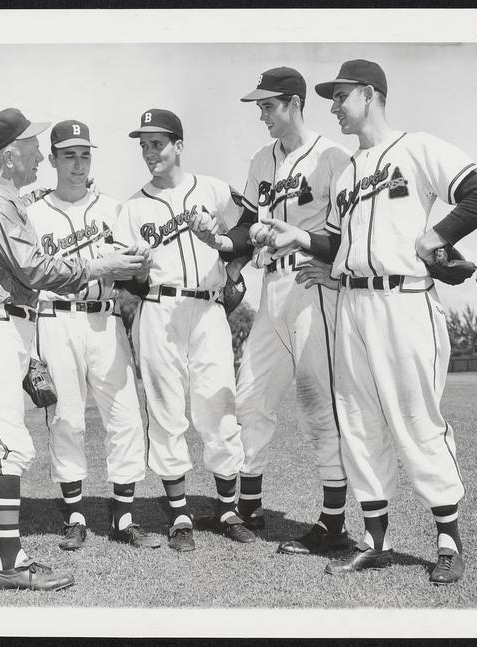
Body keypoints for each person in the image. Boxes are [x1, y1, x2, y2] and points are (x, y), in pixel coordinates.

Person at [257, 60, 477, 583]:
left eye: (341, 96)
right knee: (358, 422)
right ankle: (376, 541)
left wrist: (435, 237)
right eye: (331, 99)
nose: (334, 107)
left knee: (417, 420)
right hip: (352, 304)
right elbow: (337, 243)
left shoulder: (418, 147)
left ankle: (448, 541)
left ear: (370, 95)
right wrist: (302, 239)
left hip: (404, 300)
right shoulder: (346, 170)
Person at [0, 108, 148, 590]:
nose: (37, 155)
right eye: (32, 146)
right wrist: (100, 267)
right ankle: (11, 565)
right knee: (4, 444)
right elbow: (33, 269)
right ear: (10, 155)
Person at [188, 67, 354, 556]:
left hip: (311, 284)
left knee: (318, 405)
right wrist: (220, 241)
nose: (261, 115)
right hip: (271, 288)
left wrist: (333, 266)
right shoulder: (262, 159)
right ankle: (250, 506)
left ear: (294, 103)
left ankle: (333, 523)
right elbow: (247, 226)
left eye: (268, 106)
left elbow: (351, 228)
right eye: (259, 106)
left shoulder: (332, 156)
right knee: (251, 398)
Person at [117, 108, 257, 551]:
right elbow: (128, 279)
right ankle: (179, 515)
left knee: (219, 405)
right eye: (144, 145)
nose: (149, 152)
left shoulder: (212, 189)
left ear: (178, 145)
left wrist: (232, 265)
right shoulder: (132, 207)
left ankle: (228, 509)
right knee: (166, 411)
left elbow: (250, 225)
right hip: (159, 308)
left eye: (157, 143)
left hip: (208, 306)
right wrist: (138, 271)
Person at [27, 119, 158, 551]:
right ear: (52, 159)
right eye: (69, 155)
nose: (79, 164)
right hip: (55, 319)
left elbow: (137, 278)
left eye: (85, 155)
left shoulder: (114, 210)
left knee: (125, 416)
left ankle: (124, 517)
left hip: (105, 317)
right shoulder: (33, 213)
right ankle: (75, 516)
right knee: (66, 419)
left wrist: (140, 264)